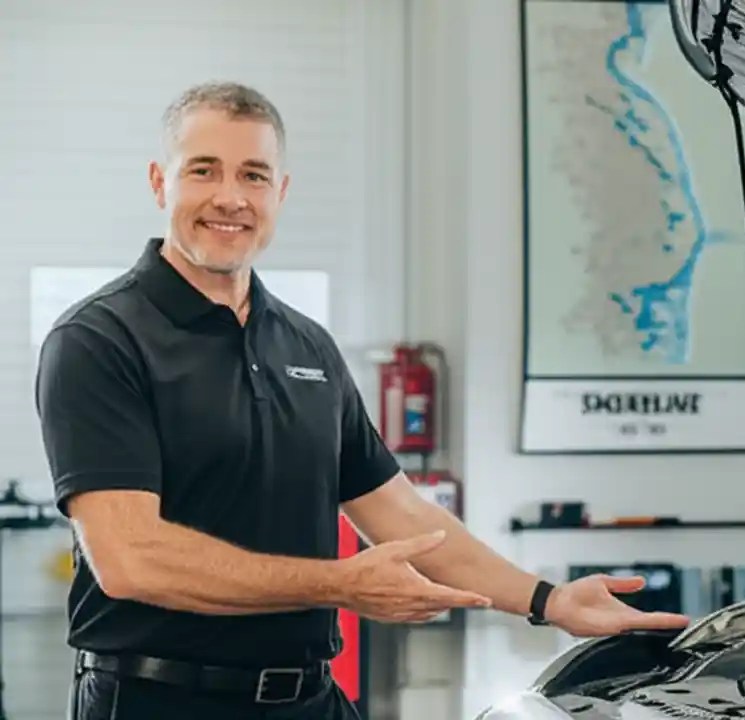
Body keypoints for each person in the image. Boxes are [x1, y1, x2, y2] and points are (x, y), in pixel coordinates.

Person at [35, 81, 690, 719]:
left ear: (280, 192)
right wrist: (340, 584)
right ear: (160, 182)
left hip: (309, 698)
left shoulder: (306, 345)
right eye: (203, 170)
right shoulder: (100, 339)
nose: (230, 197)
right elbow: (132, 560)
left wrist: (549, 600)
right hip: (158, 700)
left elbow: (400, 514)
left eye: (254, 175)